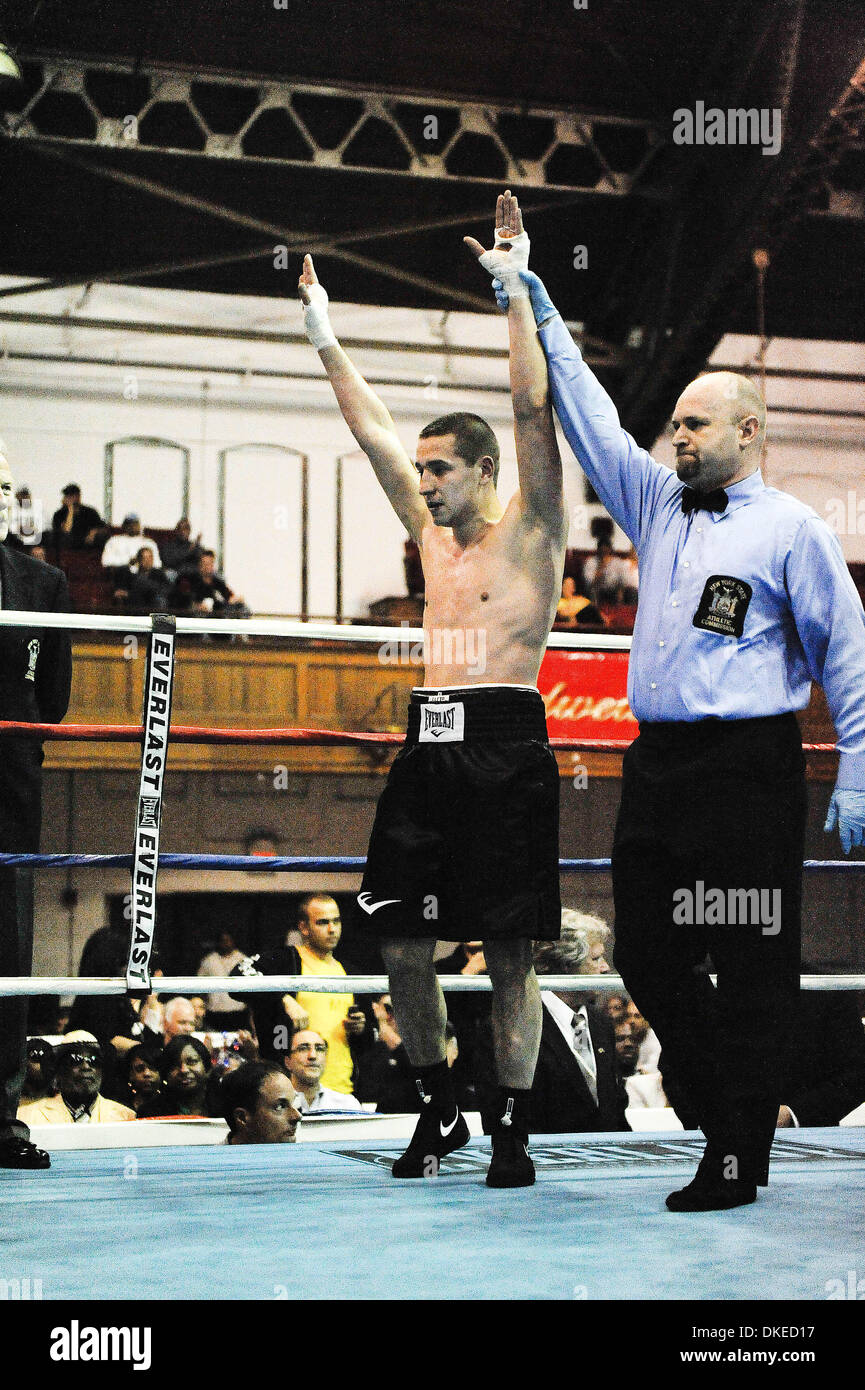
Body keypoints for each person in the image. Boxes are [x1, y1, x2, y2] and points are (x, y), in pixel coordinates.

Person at [495, 197, 865, 1210]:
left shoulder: (792, 530)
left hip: (749, 765)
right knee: (651, 956)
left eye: (695, 423)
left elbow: (848, 654)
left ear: (750, 429)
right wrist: (529, 292)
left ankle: (735, 1154)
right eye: (676, 423)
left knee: (750, 962)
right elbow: (587, 413)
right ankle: (736, 1118)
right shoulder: (656, 502)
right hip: (657, 765)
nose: (676, 435)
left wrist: (860, 765)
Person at [298, 188, 567, 1188]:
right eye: (421, 471)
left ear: (485, 468)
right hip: (429, 744)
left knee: (507, 953)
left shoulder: (531, 530)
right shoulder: (427, 536)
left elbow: (533, 406)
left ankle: (511, 1126)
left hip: (505, 741)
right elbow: (371, 433)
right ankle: (435, 1105)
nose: (423, 482)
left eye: (439, 469)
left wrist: (514, 287)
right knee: (403, 941)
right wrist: (326, 337)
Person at [0, 451, 73, 1168]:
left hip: (11, 784)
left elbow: (53, 697)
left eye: (2, 486)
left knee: (8, 948)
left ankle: (0, 1120)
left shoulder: (44, 583)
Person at [475, 914, 629, 1134]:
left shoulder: (601, 1024)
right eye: (595, 959)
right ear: (566, 965)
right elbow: (498, 1111)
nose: (605, 968)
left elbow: (615, 1108)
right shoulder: (510, 1026)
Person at [293, 894, 367, 1095]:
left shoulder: (350, 972)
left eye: (336, 921)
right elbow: (237, 978)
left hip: (344, 1087)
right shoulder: (289, 961)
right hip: (296, 1089)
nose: (332, 929)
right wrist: (283, 999)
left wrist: (360, 1027)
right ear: (304, 927)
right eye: (323, 922)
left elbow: (369, 1040)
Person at [17, 1037, 135, 1125]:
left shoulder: (126, 1116)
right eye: (75, 1060)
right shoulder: (25, 1116)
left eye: (94, 1061)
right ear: (58, 1073)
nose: (86, 1067)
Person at [220, 1061, 301, 1144]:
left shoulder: (306, 1154)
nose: (297, 1116)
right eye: (280, 1106)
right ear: (242, 1118)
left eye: (294, 1103)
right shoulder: (212, 1157)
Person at [284, 1030, 363, 1114]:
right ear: (288, 1062)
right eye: (303, 1049)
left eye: (319, 1049)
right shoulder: (275, 1104)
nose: (313, 1056)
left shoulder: (347, 1106)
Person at [138, 1035, 213, 1117]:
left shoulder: (225, 1106)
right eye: (175, 1065)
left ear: (207, 1067)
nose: (183, 1070)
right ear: (165, 1073)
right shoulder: (150, 1113)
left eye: (192, 1062)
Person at [168, 550, 248, 618]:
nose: (207, 567)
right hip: (197, 616)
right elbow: (182, 598)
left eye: (210, 563)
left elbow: (229, 597)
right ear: (199, 565)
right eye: (205, 563)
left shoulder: (217, 582)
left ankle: (243, 634)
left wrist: (236, 599)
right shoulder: (189, 580)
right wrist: (195, 605)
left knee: (242, 607)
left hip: (217, 617)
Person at [197, 929, 248, 1030]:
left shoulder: (242, 959)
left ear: (233, 941)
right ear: (218, 942)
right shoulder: (209, 960)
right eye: (223, 940)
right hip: (215, 1012)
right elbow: (200, 984)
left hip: (237, 1011)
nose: (226, 943)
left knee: (236, 1043)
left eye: (228, 940)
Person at [113, 547, 171, 613]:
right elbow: (124, 591)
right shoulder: (132, 574)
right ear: (139, 560)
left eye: (150, 557)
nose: (148, 561)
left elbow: (165, 589)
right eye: (145, 558)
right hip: (136, 603)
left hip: (153, 601)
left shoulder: (158, 573)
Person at [50, 483, 105, 549]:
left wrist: (94, 531)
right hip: (69, 543)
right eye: (67, 496)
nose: (69, 498)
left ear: (78, 496)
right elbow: (66, 530)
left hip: (87, 542)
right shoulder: (59, 514)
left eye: (72, 496)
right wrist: (70, 510)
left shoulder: (89, 511)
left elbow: (101, 527)